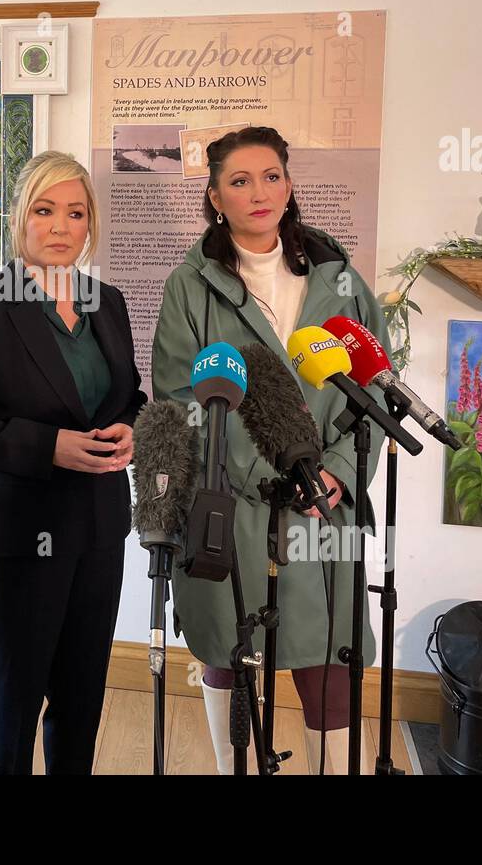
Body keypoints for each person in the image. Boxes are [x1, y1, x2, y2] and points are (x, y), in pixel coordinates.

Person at [151, 125, 389, 774]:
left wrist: (335, 473)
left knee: (329, 668)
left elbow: (376, 390)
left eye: (272, 176)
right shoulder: (189, 288)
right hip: (231, 510)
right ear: (215, 196)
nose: (259, 192)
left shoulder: (340, 281)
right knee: (228, 654)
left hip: (322, 515)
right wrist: (268, 474)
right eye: (239, 180)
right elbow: (179, 403)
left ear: (289, 185)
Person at [0, 151, 146, 774]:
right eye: (45, 210)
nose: (60, 226)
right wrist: (48, 447)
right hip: (17, 534)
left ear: (90, 225)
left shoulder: (108, 302)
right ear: (21, 218)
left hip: (99, 528)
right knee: (11, 700)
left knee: (82, 698)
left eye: (75, 213)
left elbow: (129, 395)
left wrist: (128, 431)